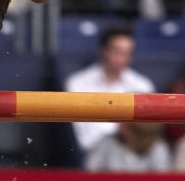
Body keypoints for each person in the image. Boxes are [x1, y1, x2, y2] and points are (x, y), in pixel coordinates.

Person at [64, 27, 156, 161]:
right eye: (117, 52)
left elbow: (147, 132)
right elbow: (79, 136)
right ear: (103, 51)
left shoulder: (142, 85)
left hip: (135, 154)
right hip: (93, 153)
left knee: (158, 150)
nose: (122, 58)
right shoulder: (77, 83)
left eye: (127, 53)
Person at [83, 122, 171, 172]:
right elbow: (91, 172)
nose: (119, 124)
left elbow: (162, 180)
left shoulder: (158, 147)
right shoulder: (106, 143)